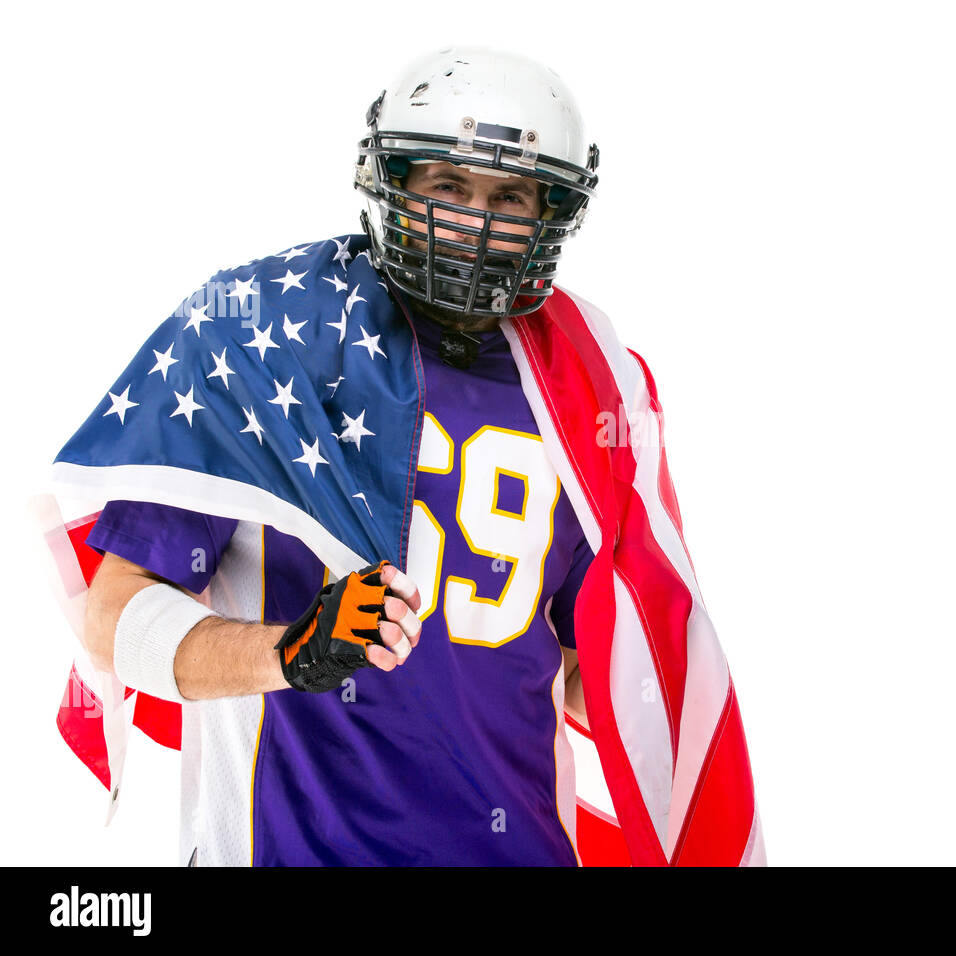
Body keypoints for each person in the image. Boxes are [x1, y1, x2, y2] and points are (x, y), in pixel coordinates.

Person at [51, 47, 763, 866]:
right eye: (448, 186)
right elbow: (110, 620)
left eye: (511, 196)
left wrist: (666, 690)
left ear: (552, 213)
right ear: (389, 179)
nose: (477, 221)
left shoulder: (585, 382)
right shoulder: (261, 343)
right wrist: (287, 652)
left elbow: (576, 659)